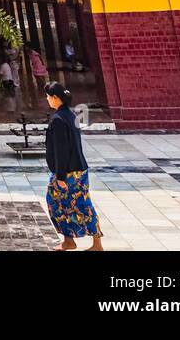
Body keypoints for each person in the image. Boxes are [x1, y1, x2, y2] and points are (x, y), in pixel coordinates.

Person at [44, 81, 103, 252]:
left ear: (56, 98)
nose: (47, 99)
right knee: (76, 203)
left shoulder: (58, 120)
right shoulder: (69, 115)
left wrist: (61, 176)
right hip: (79, 168)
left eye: (48, 97)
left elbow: (62, 150)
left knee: (58, 203)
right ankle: (72, 241)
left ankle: (90, 243)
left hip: (68, 171)